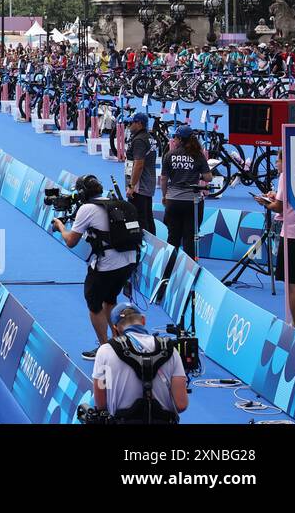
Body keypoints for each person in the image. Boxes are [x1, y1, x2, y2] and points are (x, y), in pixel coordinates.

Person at [53, 174, 139, 360]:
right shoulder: (116, 203)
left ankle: (105, 349)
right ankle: (119, 343)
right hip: (129, 261)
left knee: (94, 302)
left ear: (83, 193)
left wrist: (60, 226)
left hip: (107, 265)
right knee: (109, 300)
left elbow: (71, 241)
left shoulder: (87, 209)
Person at [91, 303, 187, 424]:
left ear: (115, 327)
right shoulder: (170, 350)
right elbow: (181, 404)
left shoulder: (104, 352)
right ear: (143, 320)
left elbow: (101, 404)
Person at [258, 170, 295, 330]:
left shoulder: (288, 173)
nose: (277, 165)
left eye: (279, 161)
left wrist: (265, 202)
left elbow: (279, 207)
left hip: (294, 234)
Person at [160, 126, 211, 259]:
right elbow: (208, 178)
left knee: (173, 237)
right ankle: (190, 270)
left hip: (173, 201)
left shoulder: (169, 155)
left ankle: (169, 267)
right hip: (192, 203)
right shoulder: (198, 155)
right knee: (190, 237)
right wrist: (197, 175)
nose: (173, 140)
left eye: (174, 137)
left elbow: (164, 179)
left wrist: (164, 196)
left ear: (180, 139)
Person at [123, 112, 157, 235]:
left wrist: (132, 186)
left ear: (139, 124)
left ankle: (143, 247)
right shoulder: (148, 137)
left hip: (139, 185)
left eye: (131, 123)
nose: (128, 125)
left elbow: (139, 164)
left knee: (139, 217)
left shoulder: (139, 140)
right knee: (147, 216)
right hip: (146, 182)